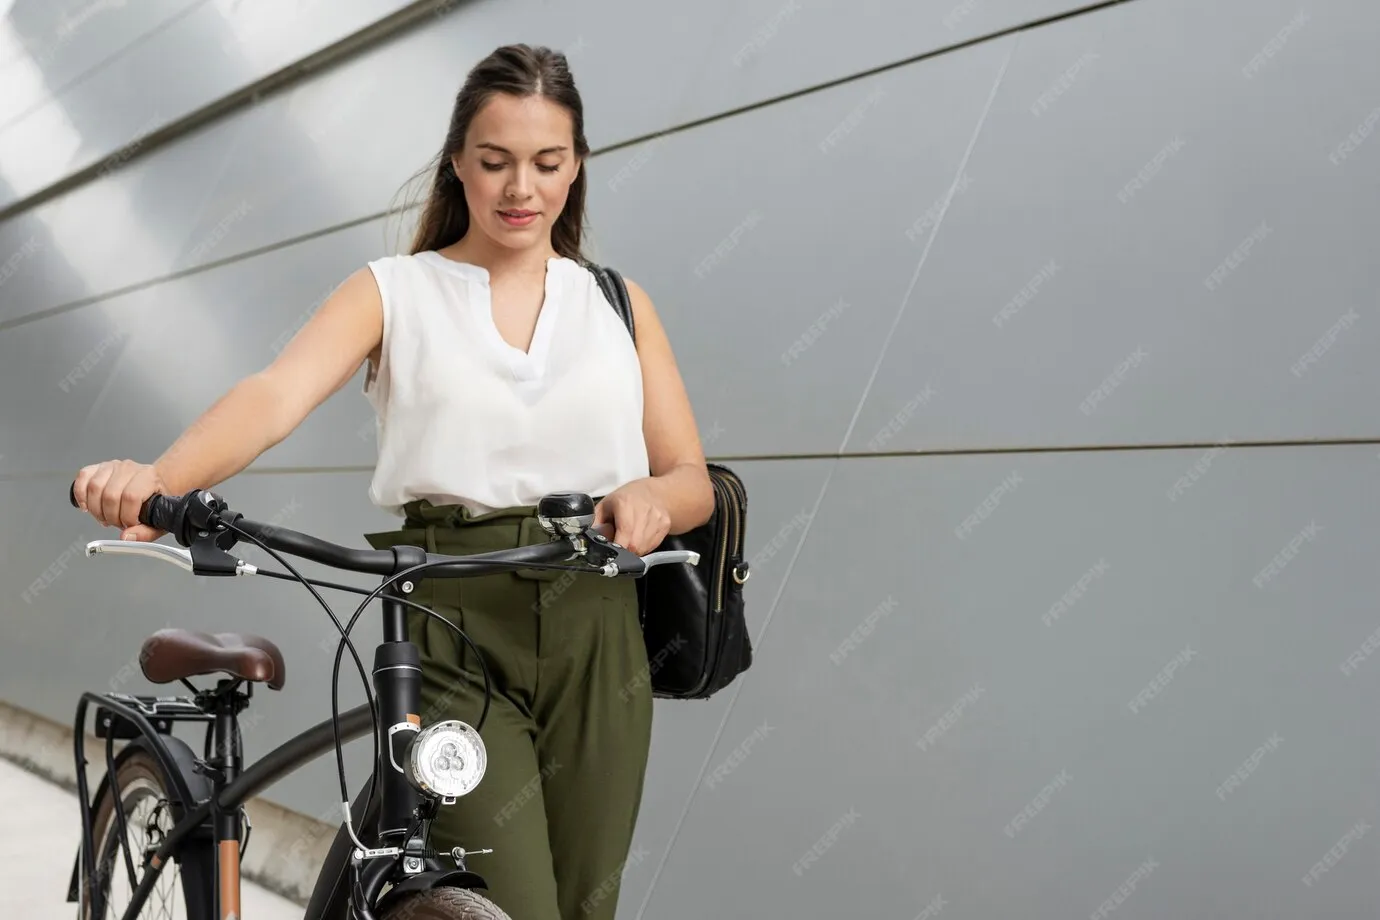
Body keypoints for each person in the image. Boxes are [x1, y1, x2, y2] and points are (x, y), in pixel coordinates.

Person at [70, 42, 714, 920]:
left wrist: (653, 499)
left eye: (546, 163)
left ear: (577, 168)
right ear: (457, 162)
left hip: (599, 619)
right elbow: (273, 394)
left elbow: (690, 477)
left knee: (588, 908)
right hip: (452, 618)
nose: (520, 187)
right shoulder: (396, 291)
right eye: (494, 162)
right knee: (510, 904)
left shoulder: (617, 302)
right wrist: (157, 481)